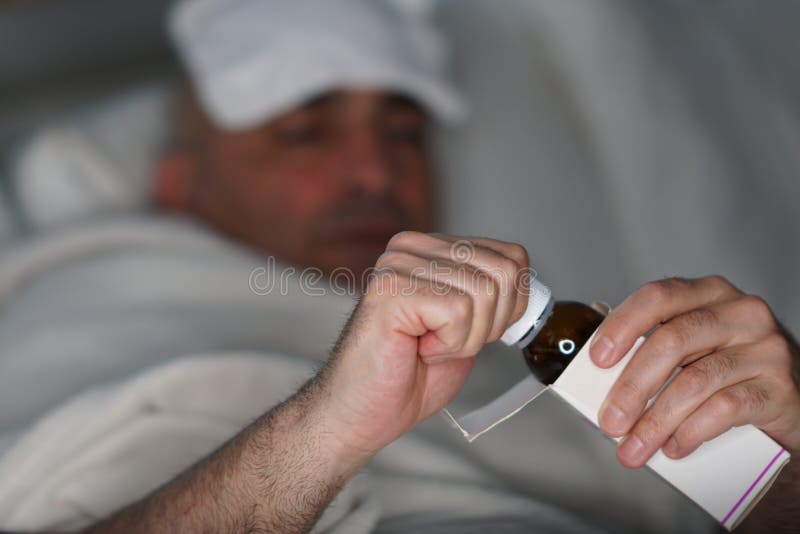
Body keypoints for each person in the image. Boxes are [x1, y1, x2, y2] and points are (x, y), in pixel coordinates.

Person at [0, 1, 797, 532]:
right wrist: (324, 432)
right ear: (178, 187)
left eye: (403, 133)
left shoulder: (504, 369)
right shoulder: (81, 305)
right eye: (305, 132)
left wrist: (784, 463)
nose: (376, 175)